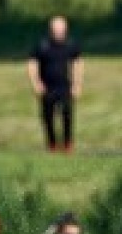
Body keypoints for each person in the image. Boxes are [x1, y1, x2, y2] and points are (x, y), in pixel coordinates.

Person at [28, 15, 84, 153]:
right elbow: (32, 64)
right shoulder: (42, 45)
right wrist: (36, 83)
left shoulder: (71, 45)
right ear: (50, 30)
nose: (58, 32)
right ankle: (52, 145)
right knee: (48, 117)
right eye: (55, 29)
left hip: (65, 86)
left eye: (61, 29)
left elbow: (78, 63)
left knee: (67, 115)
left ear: (65, 29)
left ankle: (67, 145)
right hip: (47, 87)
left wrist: (77, 84)